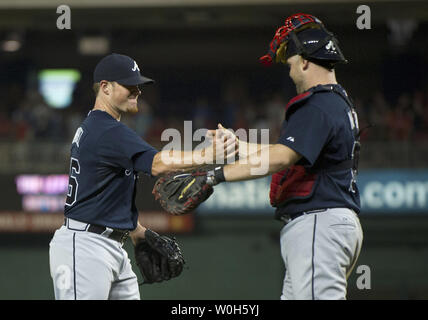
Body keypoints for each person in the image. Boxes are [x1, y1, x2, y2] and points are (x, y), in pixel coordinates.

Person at [49, 53, 236, 300]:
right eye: (129, 84)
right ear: (105, 87)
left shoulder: (100, 128)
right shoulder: (106, 130)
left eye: (138, 85)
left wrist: (137, 232)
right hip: (84, 247)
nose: (137, 90)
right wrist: (209, 154)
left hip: (109, 245)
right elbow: (157, 164)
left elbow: (101, 192)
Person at [205, 14, 363, 299]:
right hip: (324, 222)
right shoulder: (334, 101)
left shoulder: (318, 103)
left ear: (304, 61)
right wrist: (238, 144)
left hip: (319, 221)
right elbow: (284, 152)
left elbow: (279, 159)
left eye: (290, 64)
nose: (290, 73)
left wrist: (214, 175)